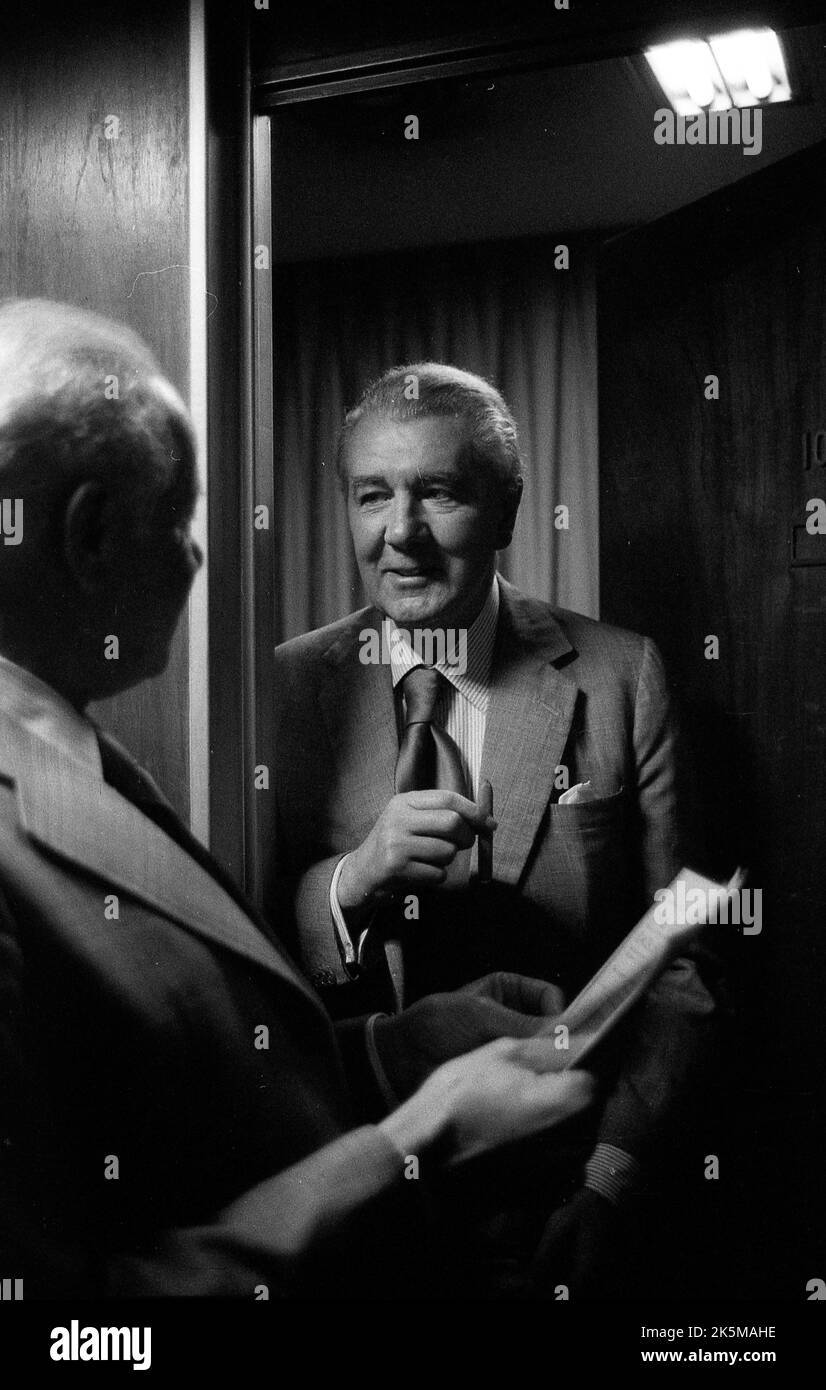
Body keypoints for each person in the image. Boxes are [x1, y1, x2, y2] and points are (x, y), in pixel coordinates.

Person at [0, 302, 594, 1299]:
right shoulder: (275, 689)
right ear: (90, 533)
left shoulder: (73, 742)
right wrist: (416, 1144)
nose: (199, 558)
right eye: (182, 517)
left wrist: (393, 1054)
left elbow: (179, 1092)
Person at [267, 363, 723, 1266]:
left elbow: (684, 956)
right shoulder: (281, 689)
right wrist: (349, 883)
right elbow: (243, 950)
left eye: (438, 492)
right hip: (361, 1201)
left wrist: (611, 1180)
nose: (402, 534)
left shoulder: (623, 677)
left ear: (510, 511)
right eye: (372, 497)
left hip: (568, 1178)